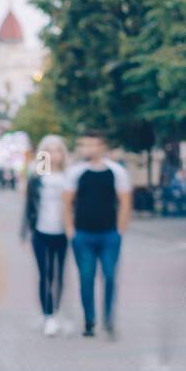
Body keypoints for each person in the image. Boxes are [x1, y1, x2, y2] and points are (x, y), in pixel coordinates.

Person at [64, 130, 132, 338]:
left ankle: (109, 318)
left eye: (90, 144)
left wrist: (120, 230)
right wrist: (70, 231)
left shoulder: (116, 172)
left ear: (101, 146)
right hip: (83, 236)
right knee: (86, 278)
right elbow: (66, 202)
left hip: (109, 235)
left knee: (110, 276)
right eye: (83, 145)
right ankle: (90, 320)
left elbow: (125, 202)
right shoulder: (76, 172)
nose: (86, 148)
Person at [22, 135, 70, 337]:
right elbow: (28, 205)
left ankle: (57, 313)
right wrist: (25, 230)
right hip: (41, 232)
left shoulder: (69, 176)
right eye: (48, 150)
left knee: (60, 275)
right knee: (45, 275)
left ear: (63, 153)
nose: (53, 154)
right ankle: (48, 316)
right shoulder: (37, 176)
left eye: (57, 149)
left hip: (63, 233)